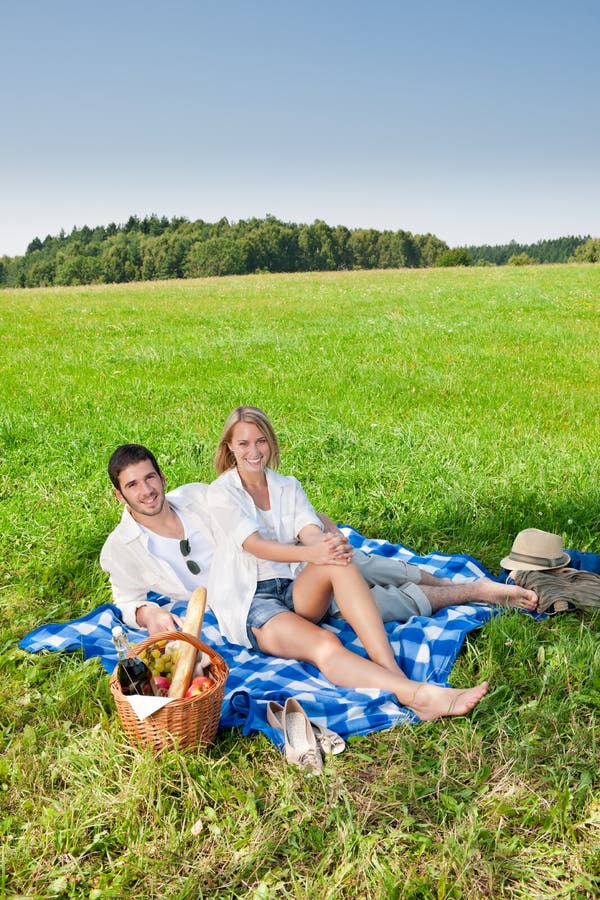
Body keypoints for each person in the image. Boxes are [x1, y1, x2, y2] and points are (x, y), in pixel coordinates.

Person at [205, 406, 497, 721]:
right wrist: (311, 553)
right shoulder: (221, 492)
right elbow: (255, 545)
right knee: (325, 642)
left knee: (338, 560)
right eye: (244, 443)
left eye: (260, 441)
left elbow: (310, 531)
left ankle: (393, 674)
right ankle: (415, 693)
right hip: (254, 601)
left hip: (294, 588)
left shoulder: (286, 486)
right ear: (230, 447)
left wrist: (327, 545)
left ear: (271, 443)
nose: (254, 451)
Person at [101, 443, 537, 638]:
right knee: (364, 607)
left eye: (150, 478)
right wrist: (147, 614)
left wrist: (323, 527)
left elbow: (266, 515)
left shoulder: (198, 498)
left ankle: (443, 582)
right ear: (120, 494)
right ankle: (474, 591)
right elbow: (126, 598)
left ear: (161, 476)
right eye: (133, 486)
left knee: (358, 562)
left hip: (282, 567)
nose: (147, 491)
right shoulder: (121, 548)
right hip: (252, 599)